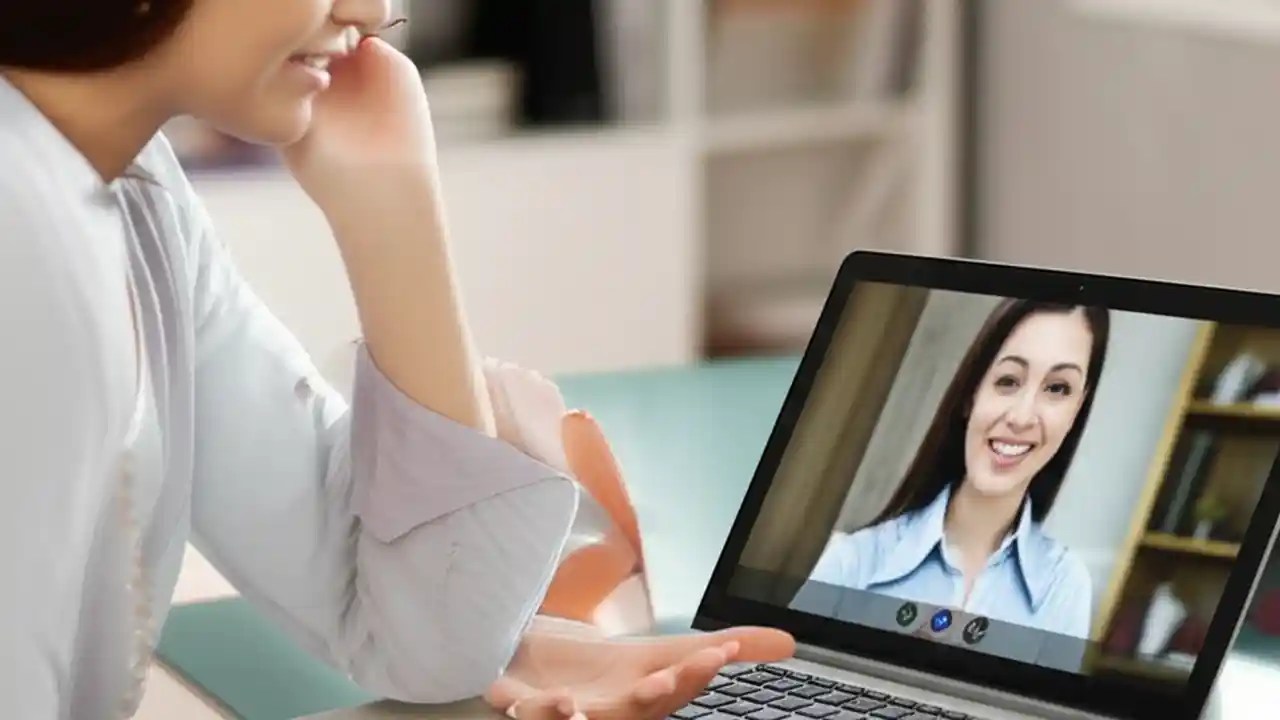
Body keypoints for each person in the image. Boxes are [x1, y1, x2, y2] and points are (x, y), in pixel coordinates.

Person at [0, 2, 795, 718]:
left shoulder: (136, 193)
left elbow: (430, 641)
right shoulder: (22, 223)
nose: (374, 12)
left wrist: (394, 205)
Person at [806, 299, 1110, 640]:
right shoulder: (853, 562)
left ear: (1076, 412)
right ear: (972, 393)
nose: (1022, 417)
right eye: (1008, 380)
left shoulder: (1064, 587)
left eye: (1057, 388)